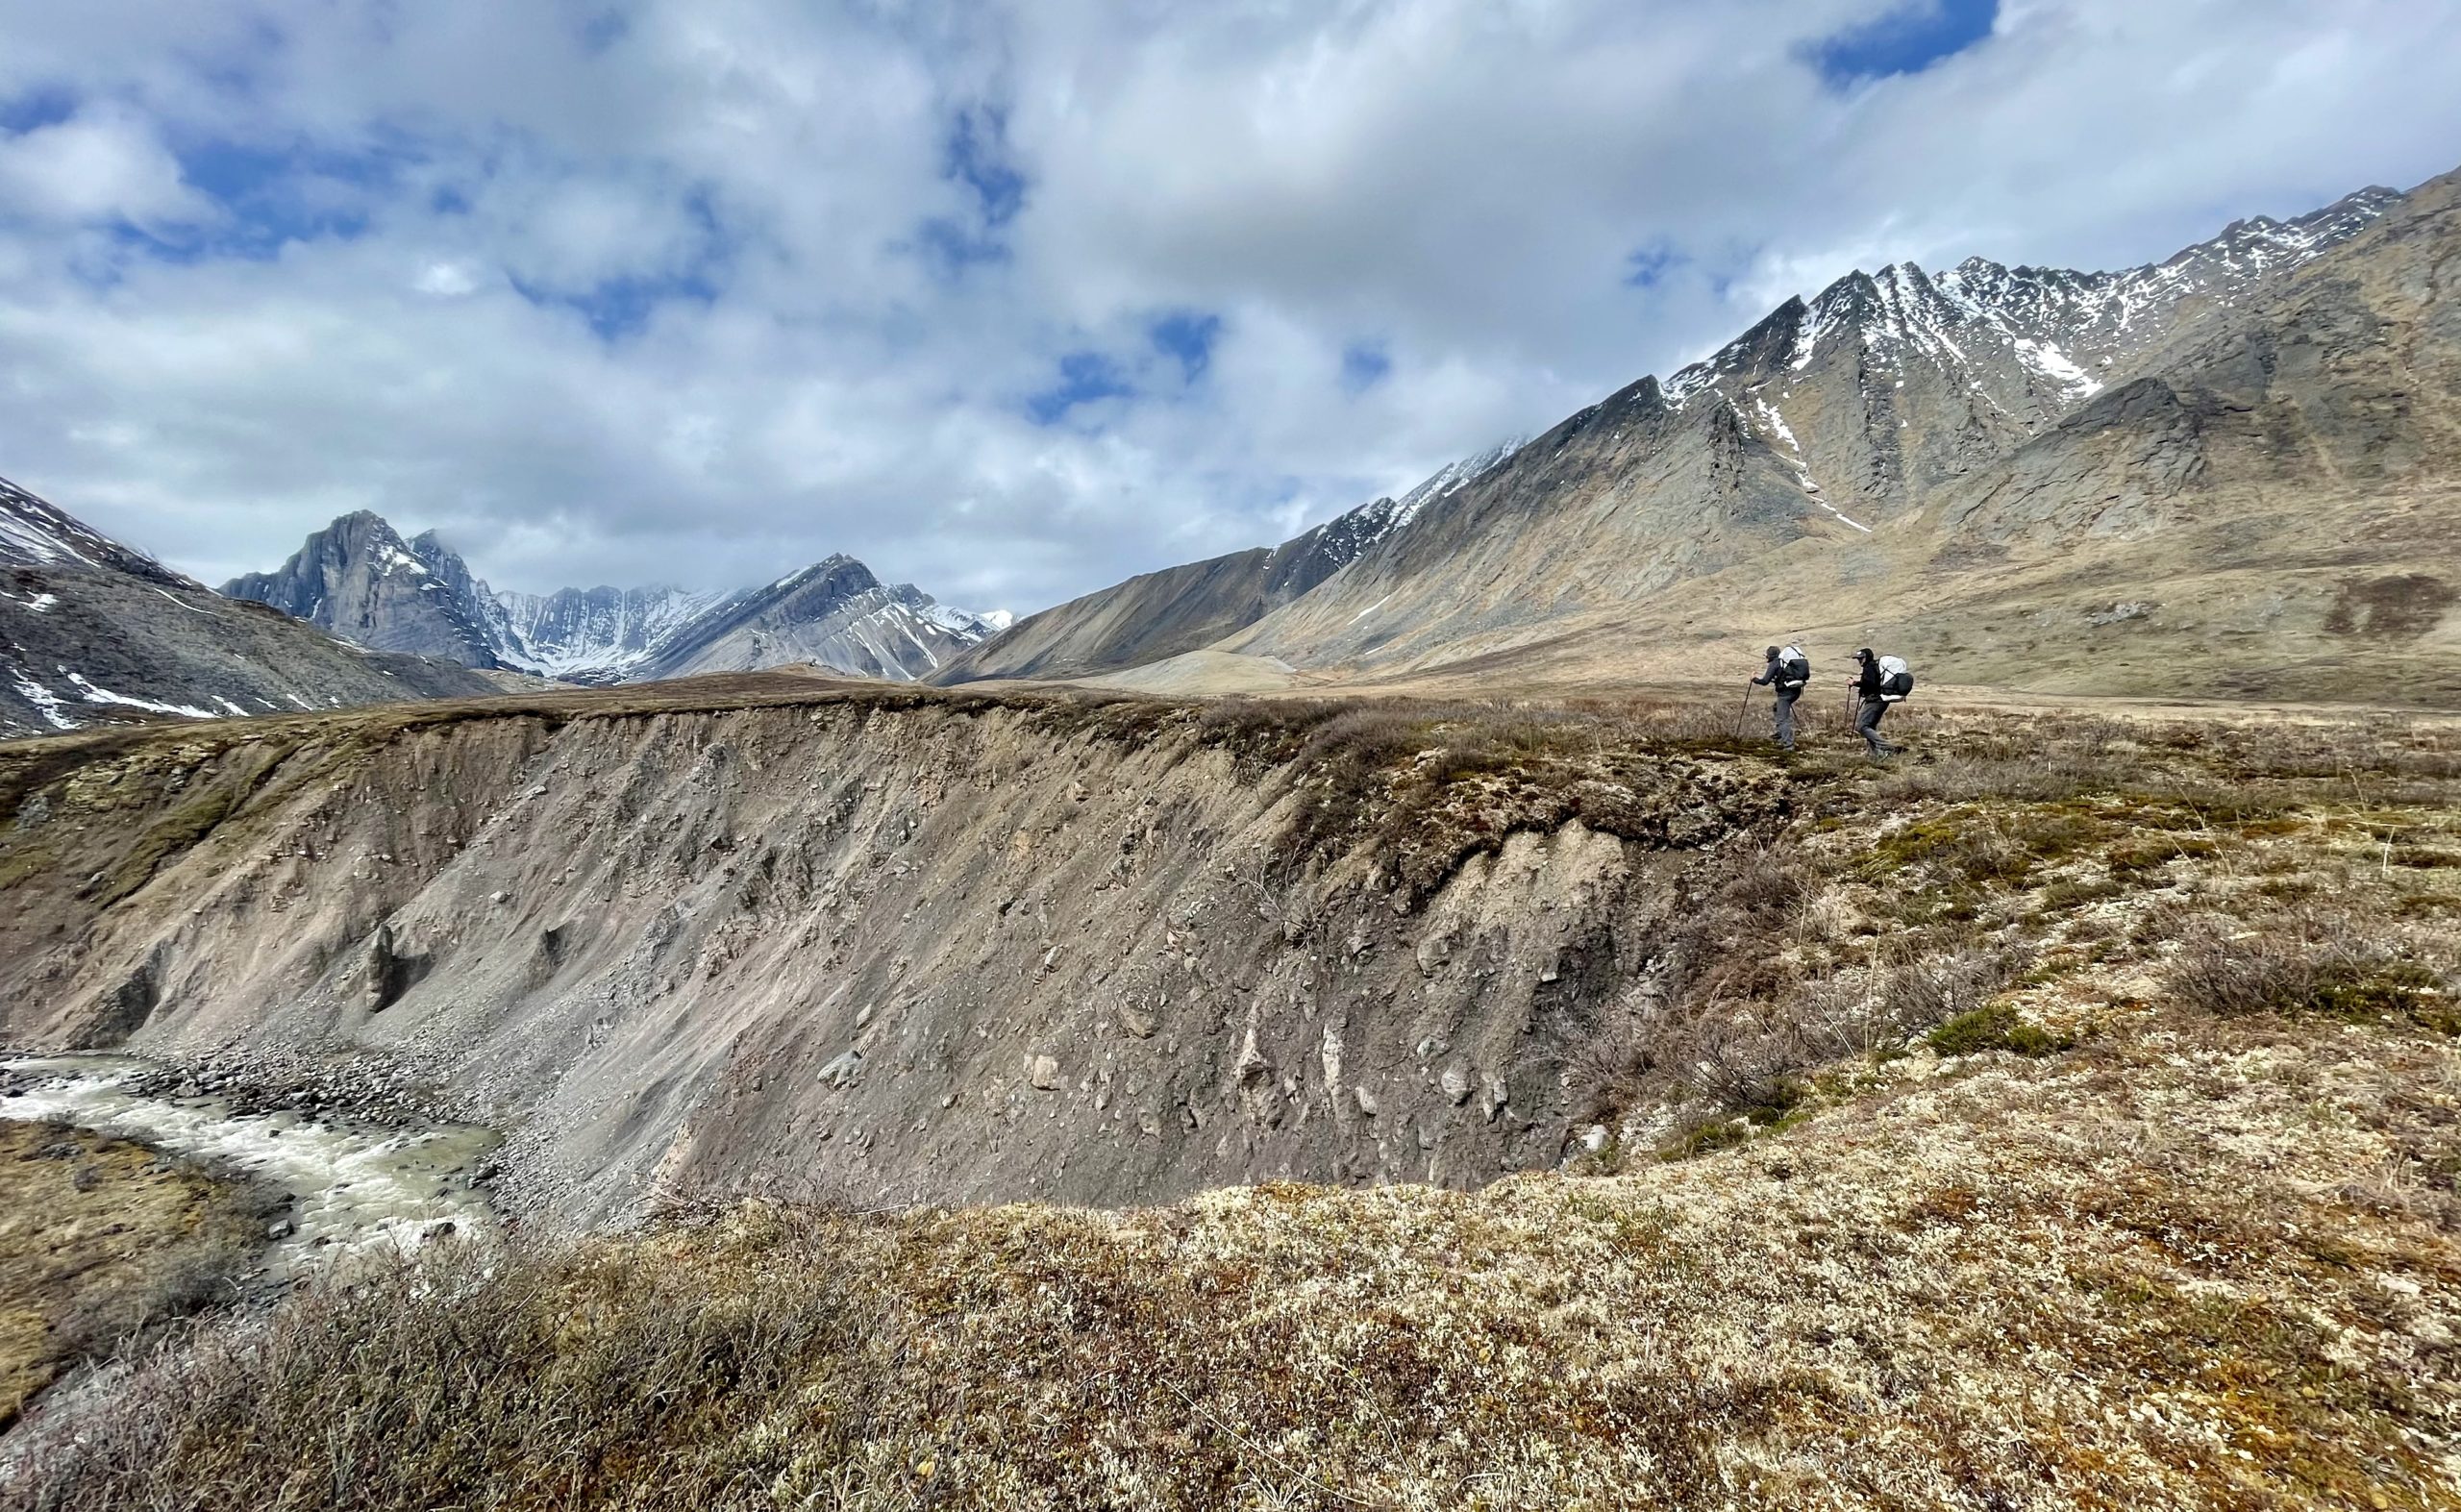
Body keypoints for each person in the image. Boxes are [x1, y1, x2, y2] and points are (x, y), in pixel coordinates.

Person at [1748, 644, 1809, 751]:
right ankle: (1780, 734)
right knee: (1776, 707)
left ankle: (1788, 745)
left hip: (1785, 694)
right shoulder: (1785, 662)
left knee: (1783, 719)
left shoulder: (1775, 663)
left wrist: (1754, 679)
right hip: (1796, 691)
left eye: (1766, 655)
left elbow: (1765, 681)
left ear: (1770, 656)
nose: (1766, 657)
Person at [1850, 648, 1904, 759]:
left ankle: (1888, 748)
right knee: (1870, 726)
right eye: (1858, 659)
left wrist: (1855, 683)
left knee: (1862, 726)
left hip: (1875, 700)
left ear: (1867, 657)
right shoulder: (1875, 666)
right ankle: (1875, 755)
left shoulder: (1869, 667)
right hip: (1881, 700)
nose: (1859, 661)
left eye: (1861, 659)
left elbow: (1870, 684)